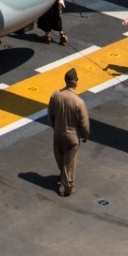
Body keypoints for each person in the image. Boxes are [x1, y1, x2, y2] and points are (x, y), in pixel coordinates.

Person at [48, 67, 90, 196]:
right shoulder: (79, 102)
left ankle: (63, 175)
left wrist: (54, 127)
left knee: (60, 156)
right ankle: (66, 188)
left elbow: (50, 113)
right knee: (69, 162)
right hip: (72, 134)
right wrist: (85, 135)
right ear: (75, 82)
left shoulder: (55, 95)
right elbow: (84, 123)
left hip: (58, 131)